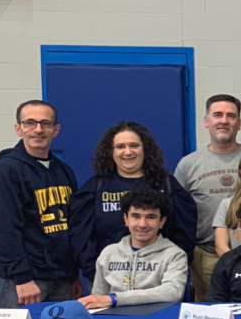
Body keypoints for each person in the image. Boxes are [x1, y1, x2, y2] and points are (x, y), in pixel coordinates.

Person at [68, 120, 198, 289]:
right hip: (108, 279)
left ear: (145, 149)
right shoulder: (96, 187)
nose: (128, 152)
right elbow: (80, 237)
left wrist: (171, 269)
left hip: (157, 279)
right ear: (111, 151)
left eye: (134, 146)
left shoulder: (166, 185)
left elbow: (186, 233)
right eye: (120, 146)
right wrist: (99, 272)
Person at [0, 99, 82, 306]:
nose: (38, 130)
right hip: (21, 281)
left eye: (45, 124)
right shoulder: (5, 172)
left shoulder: (64, 171)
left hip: (61, 278)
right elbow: (3, 229)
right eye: (30, 123)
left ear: (56, 130)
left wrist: (73, 274)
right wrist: (22, 278)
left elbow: (72, 226)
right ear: (18, 129)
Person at [172, 94, 241, 301]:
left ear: (239, 123)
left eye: (231, 116)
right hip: (205, 254)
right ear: (207, 121)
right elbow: (177, 212)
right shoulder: (188, 165)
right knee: (208, 313)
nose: (224, 120)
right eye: (218, 115)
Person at [80, 190, 190, 310]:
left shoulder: (175, 255)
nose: (142, 224)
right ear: (126, 219)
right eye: (135, 216)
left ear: (161, 221)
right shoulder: (109, 253)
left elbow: (172, 292)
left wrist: (115, 299)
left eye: (151, 217)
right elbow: (98, 299)